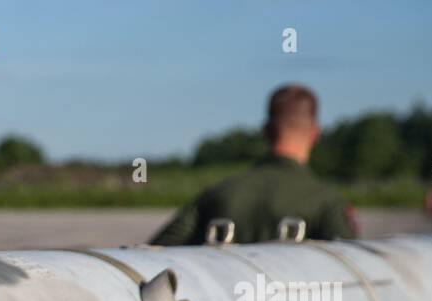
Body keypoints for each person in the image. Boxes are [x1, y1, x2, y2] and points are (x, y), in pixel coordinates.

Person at [151, 85, 357, 246]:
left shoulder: (216, 195)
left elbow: (153, 255)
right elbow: (351, 269)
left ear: (265, 131)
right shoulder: (326, 201)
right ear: (315, 133)